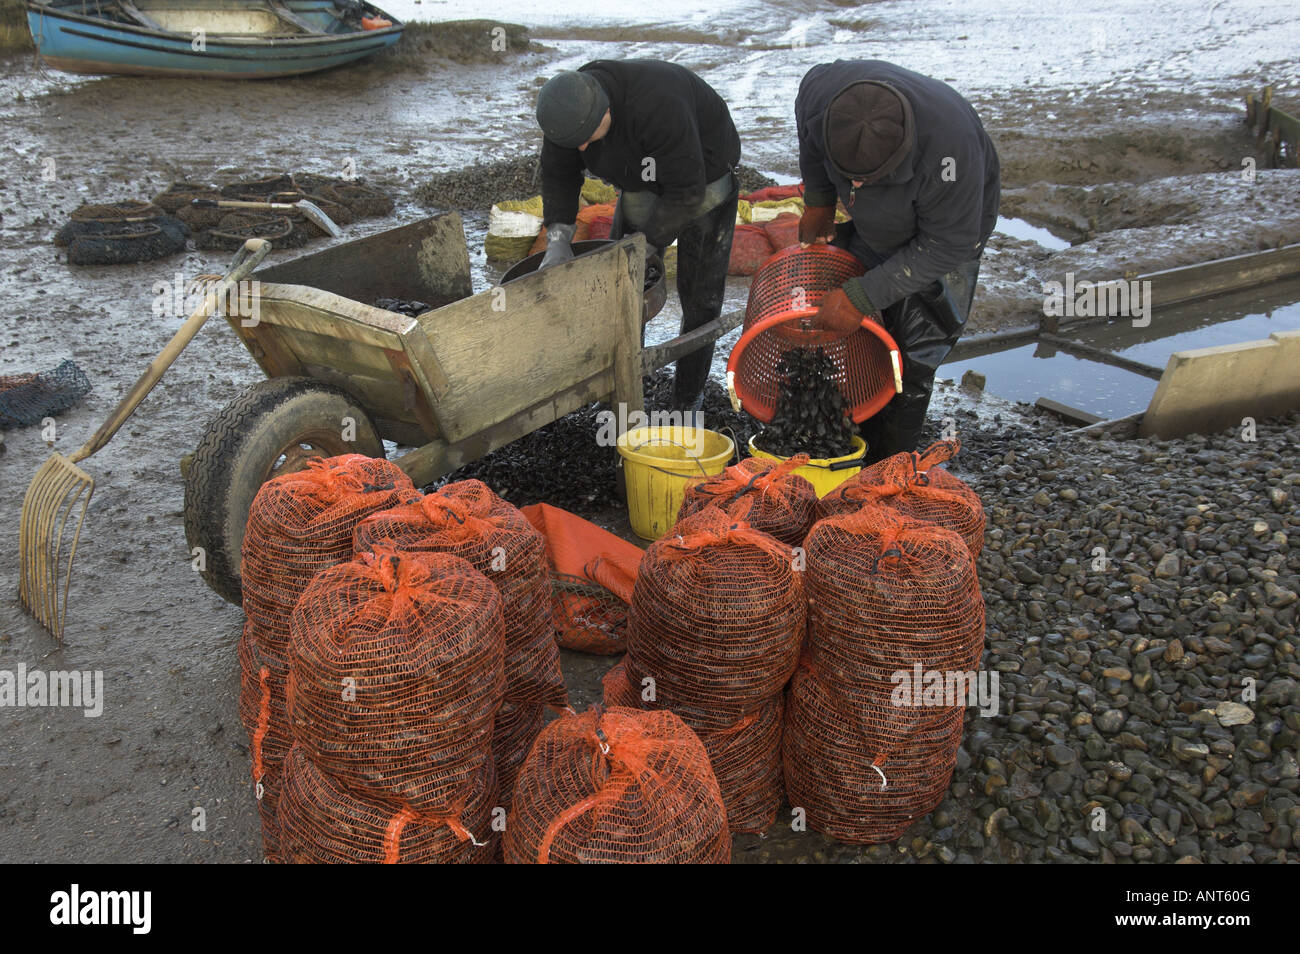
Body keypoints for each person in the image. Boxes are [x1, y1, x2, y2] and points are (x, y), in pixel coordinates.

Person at [796, 59, 1000, 463]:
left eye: (864, 180)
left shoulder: (949, 156)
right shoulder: (822, 93)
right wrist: (819, 199)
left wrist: (861, 295)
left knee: (912, 354)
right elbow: (810, 142)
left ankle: (886, 465)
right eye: (848, 178)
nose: (853, 187)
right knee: (855, 333)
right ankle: (844, 430)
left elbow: (948, 244)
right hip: (881, 219)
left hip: (945, 234)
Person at [535, 59, 741, 413]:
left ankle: (688, 397)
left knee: (701, 299)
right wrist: (557, 238)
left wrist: (649, 245)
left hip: (702, 176)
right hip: (640, 179)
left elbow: (686, 192)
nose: (583, 149)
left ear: (606, 110)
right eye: (576, 143)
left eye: (587, 139)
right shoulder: (569, 108)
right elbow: (558, 175)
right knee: (622, 287)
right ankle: (623, 386)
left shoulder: (659, 103)